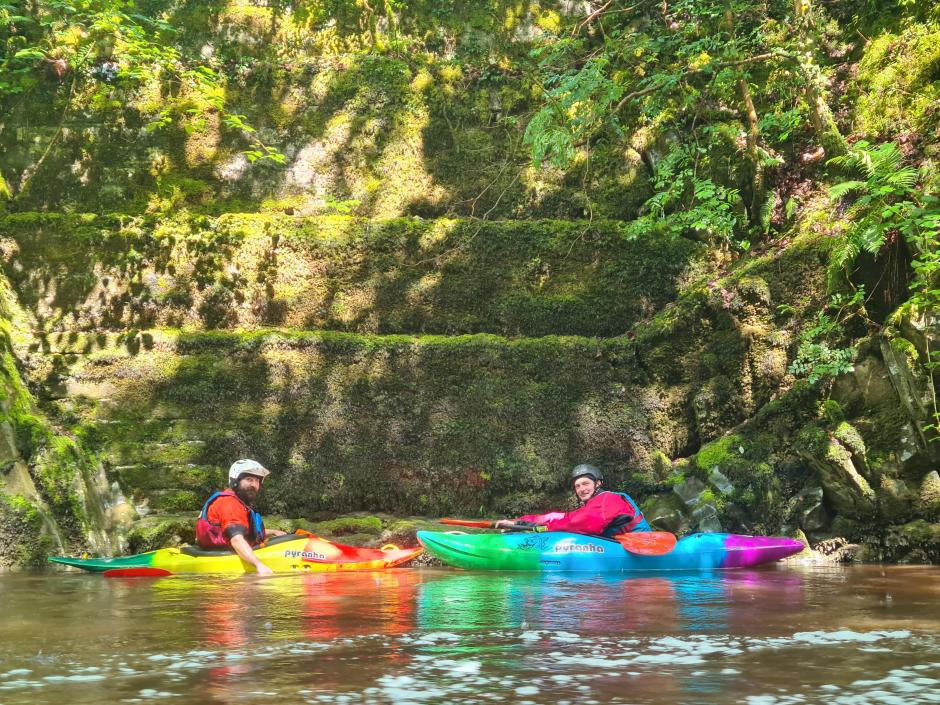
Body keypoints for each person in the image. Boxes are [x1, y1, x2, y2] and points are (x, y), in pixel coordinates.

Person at [495, 464, 651, 537]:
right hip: (623, 545)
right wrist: (518, 522)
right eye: (577, 486)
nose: (582, 489)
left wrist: (535, 528)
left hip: (640, 545)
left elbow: (576, 524)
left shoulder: (607, 500)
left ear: (598, 484)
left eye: (585, 484)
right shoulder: (596, 504)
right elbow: (561, 517)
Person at [196, 459, 287, 575]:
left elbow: (238, 530)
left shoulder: (240, 503)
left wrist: (271, 532)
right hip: (219, 556)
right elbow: (236, 539)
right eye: (249, 480)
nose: (254, 485)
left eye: (257, 481)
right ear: (235, 481)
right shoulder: (229, 503)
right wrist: (259, 565)